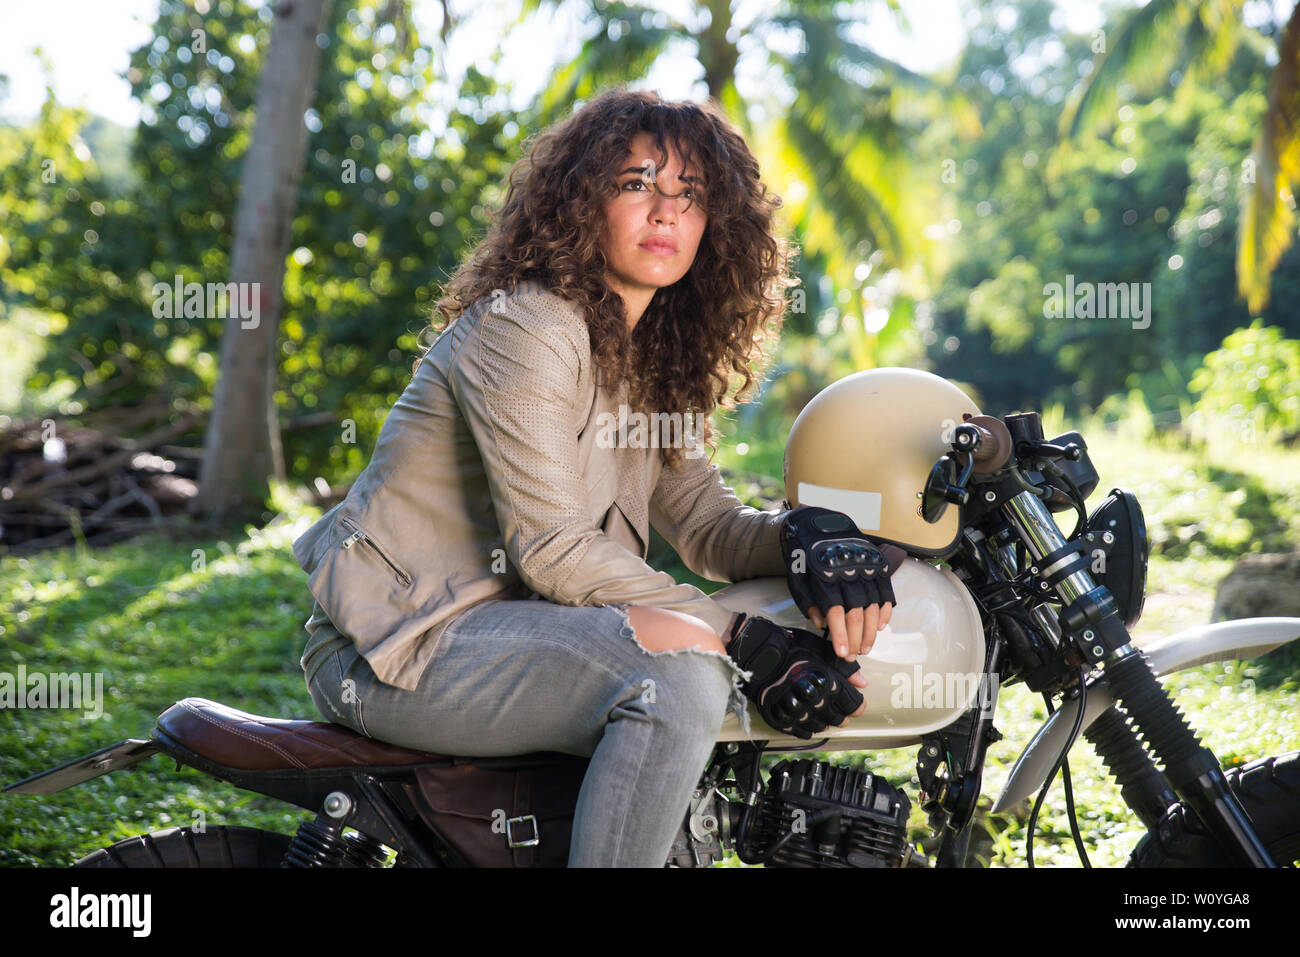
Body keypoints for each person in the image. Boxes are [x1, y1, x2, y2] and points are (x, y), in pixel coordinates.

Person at [293, 87, 894, 867]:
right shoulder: (528, 325)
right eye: (637, 183)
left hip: (519, 638)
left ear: (717, 225)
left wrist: (805, 538)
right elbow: (550, 549)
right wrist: (743, 638)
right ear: (581, 201)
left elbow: (708, 528)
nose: (665, 213)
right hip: (399, 645)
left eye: (690, 194)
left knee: (692, 655)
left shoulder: (651, 360)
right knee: (676, 674)